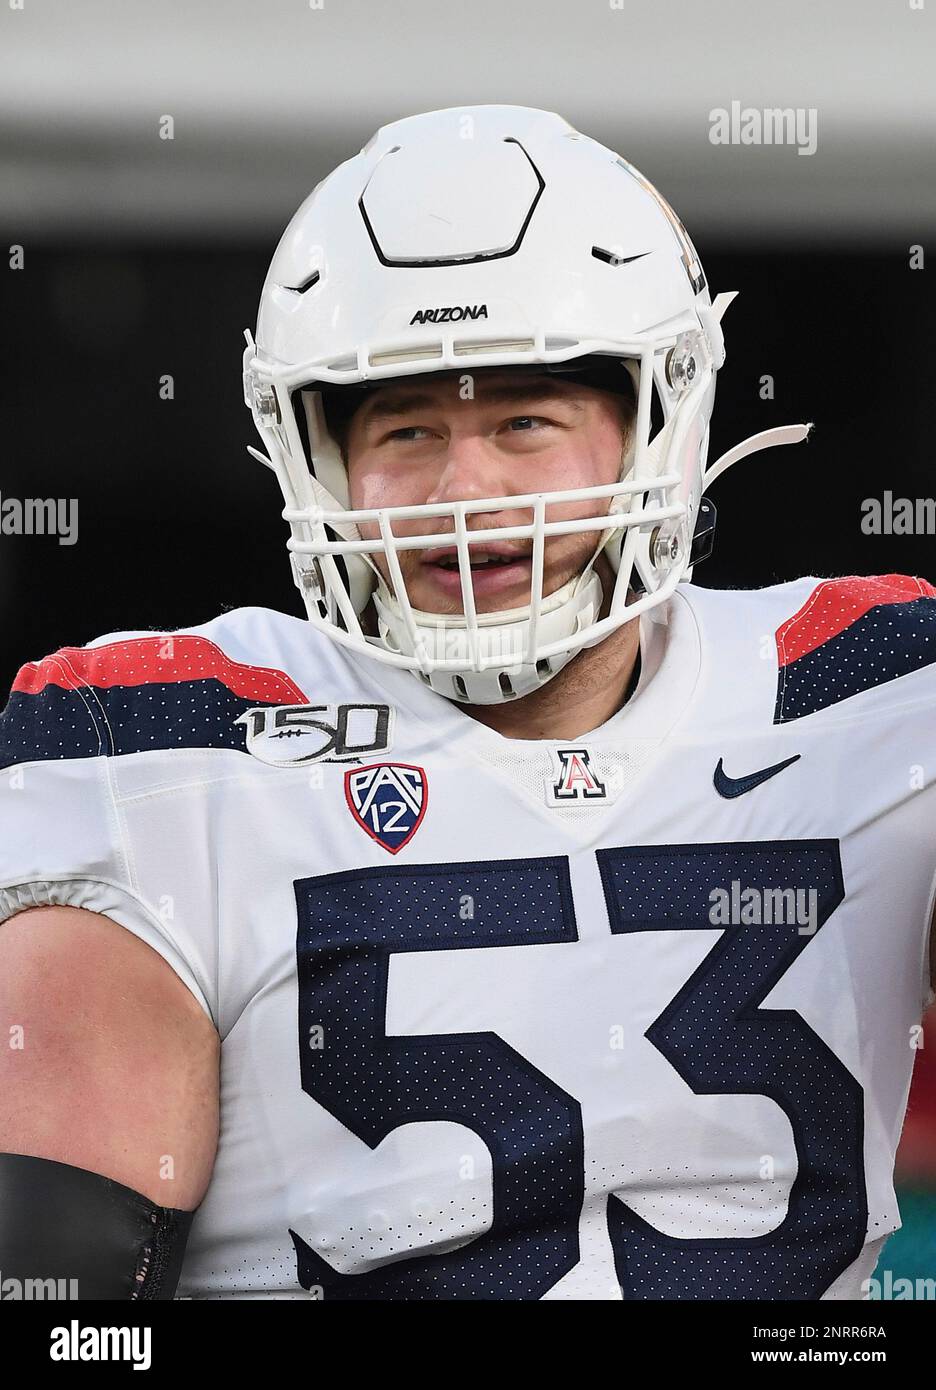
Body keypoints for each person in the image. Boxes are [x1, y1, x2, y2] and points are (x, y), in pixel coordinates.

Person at [0, 104, 933, 1301]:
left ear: (661, 421)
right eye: (406, 425)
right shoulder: (166, 755)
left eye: (524, 422)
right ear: (314, 454)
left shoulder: (875, 691)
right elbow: (55, 1300)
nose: (464, 488)